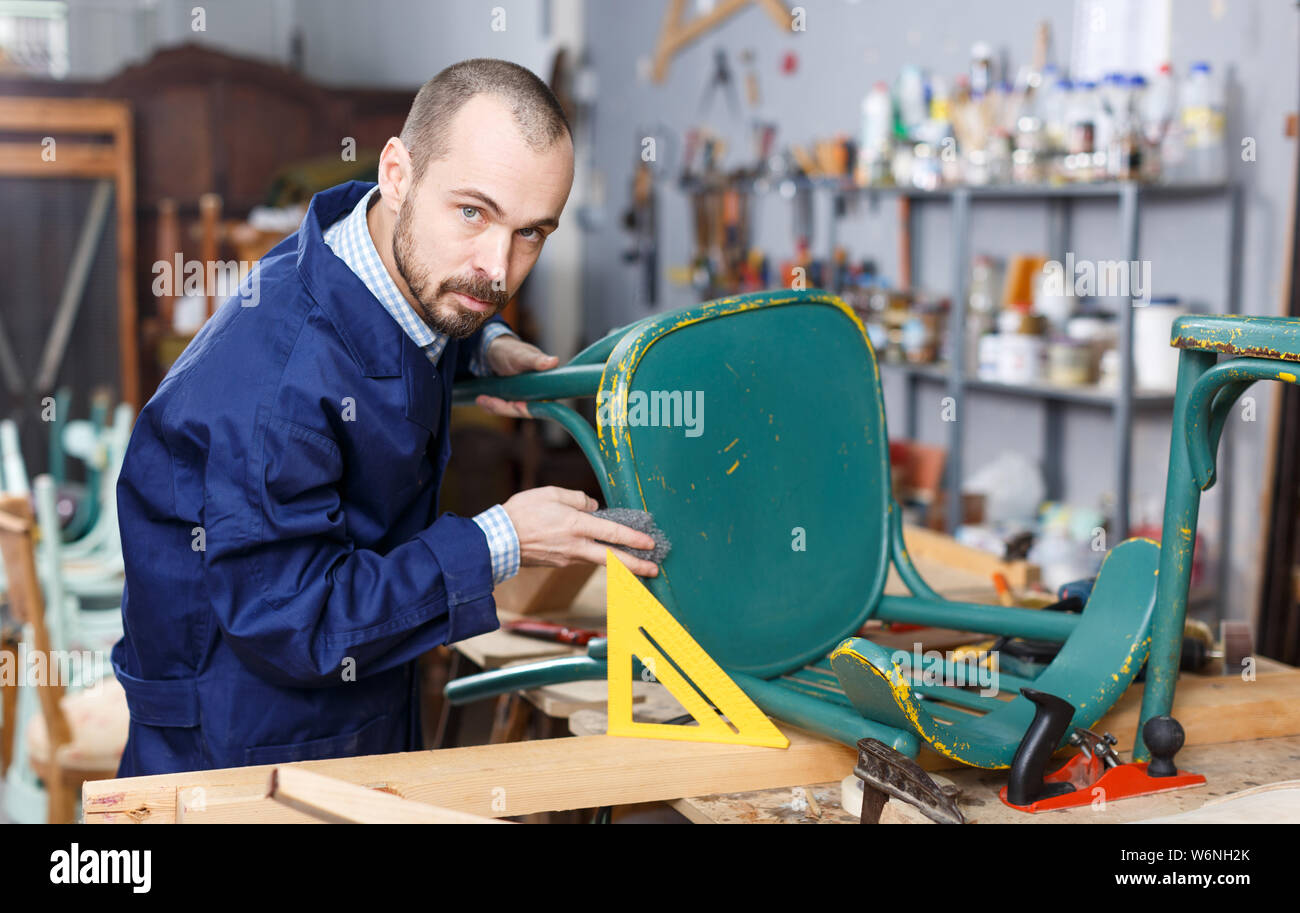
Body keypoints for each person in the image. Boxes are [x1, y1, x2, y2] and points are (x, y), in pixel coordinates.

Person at [111, 58, 659, 776]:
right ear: (397, 174)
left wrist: (482, 343)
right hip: (244, 762)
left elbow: (392, 323)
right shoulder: (275, 387)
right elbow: (296, 621)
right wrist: (502, 541)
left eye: (531, 233)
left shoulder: (375, 258)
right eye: (474, 212)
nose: (498, 268)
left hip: (351, 719)